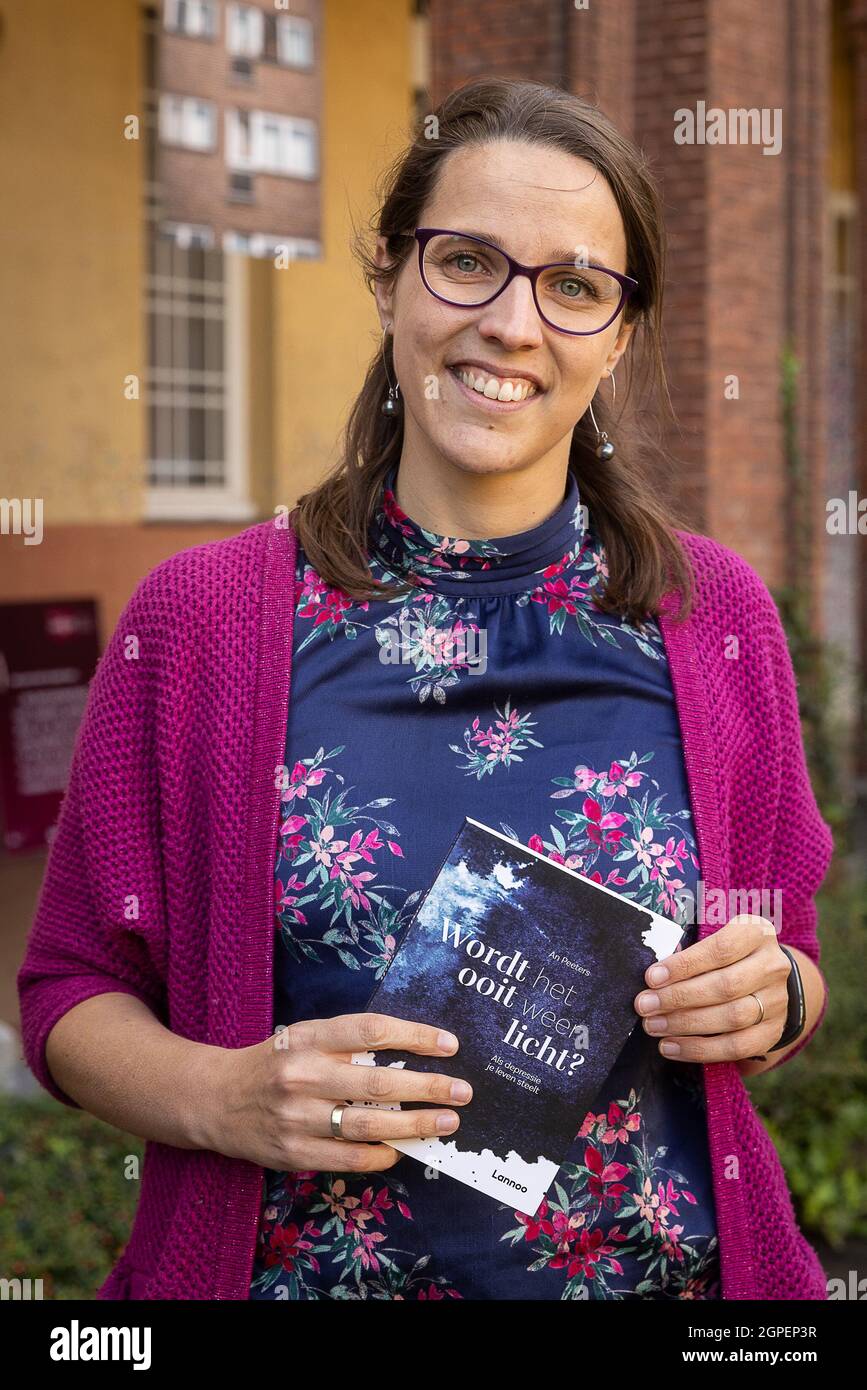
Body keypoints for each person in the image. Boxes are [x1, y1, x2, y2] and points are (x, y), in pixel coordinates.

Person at [18, 77, 834, 1301]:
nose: (513, 323)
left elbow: (795, 957)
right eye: (468, 261)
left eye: (572, 285)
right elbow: (68, 988)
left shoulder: (716, 623)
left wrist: (770, 999)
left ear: (618, 333)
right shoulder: (199, 624)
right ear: (393, 278)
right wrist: (222, 1096)